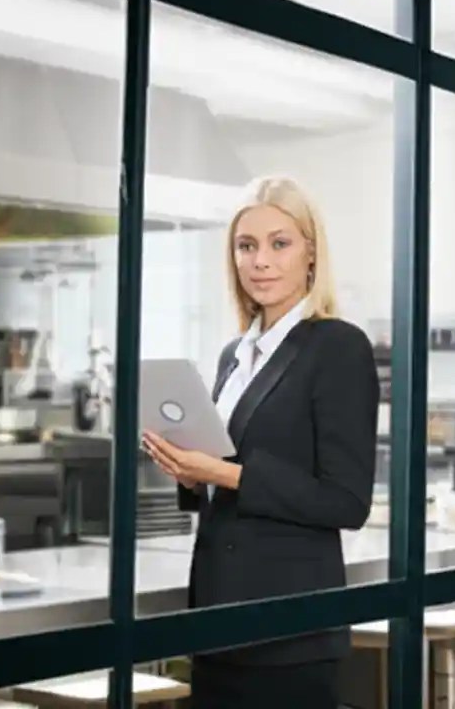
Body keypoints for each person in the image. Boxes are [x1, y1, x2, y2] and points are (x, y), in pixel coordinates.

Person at [143, 176, 379, 709]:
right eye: (246, 246)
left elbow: (346, 501)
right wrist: (190, 473)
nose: (261, 261)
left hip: (288, 629)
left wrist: (224, 474)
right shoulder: (234, 354)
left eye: (280, 243)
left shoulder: (337, 346)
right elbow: (225, 473)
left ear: (311, 254)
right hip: (217, 620)